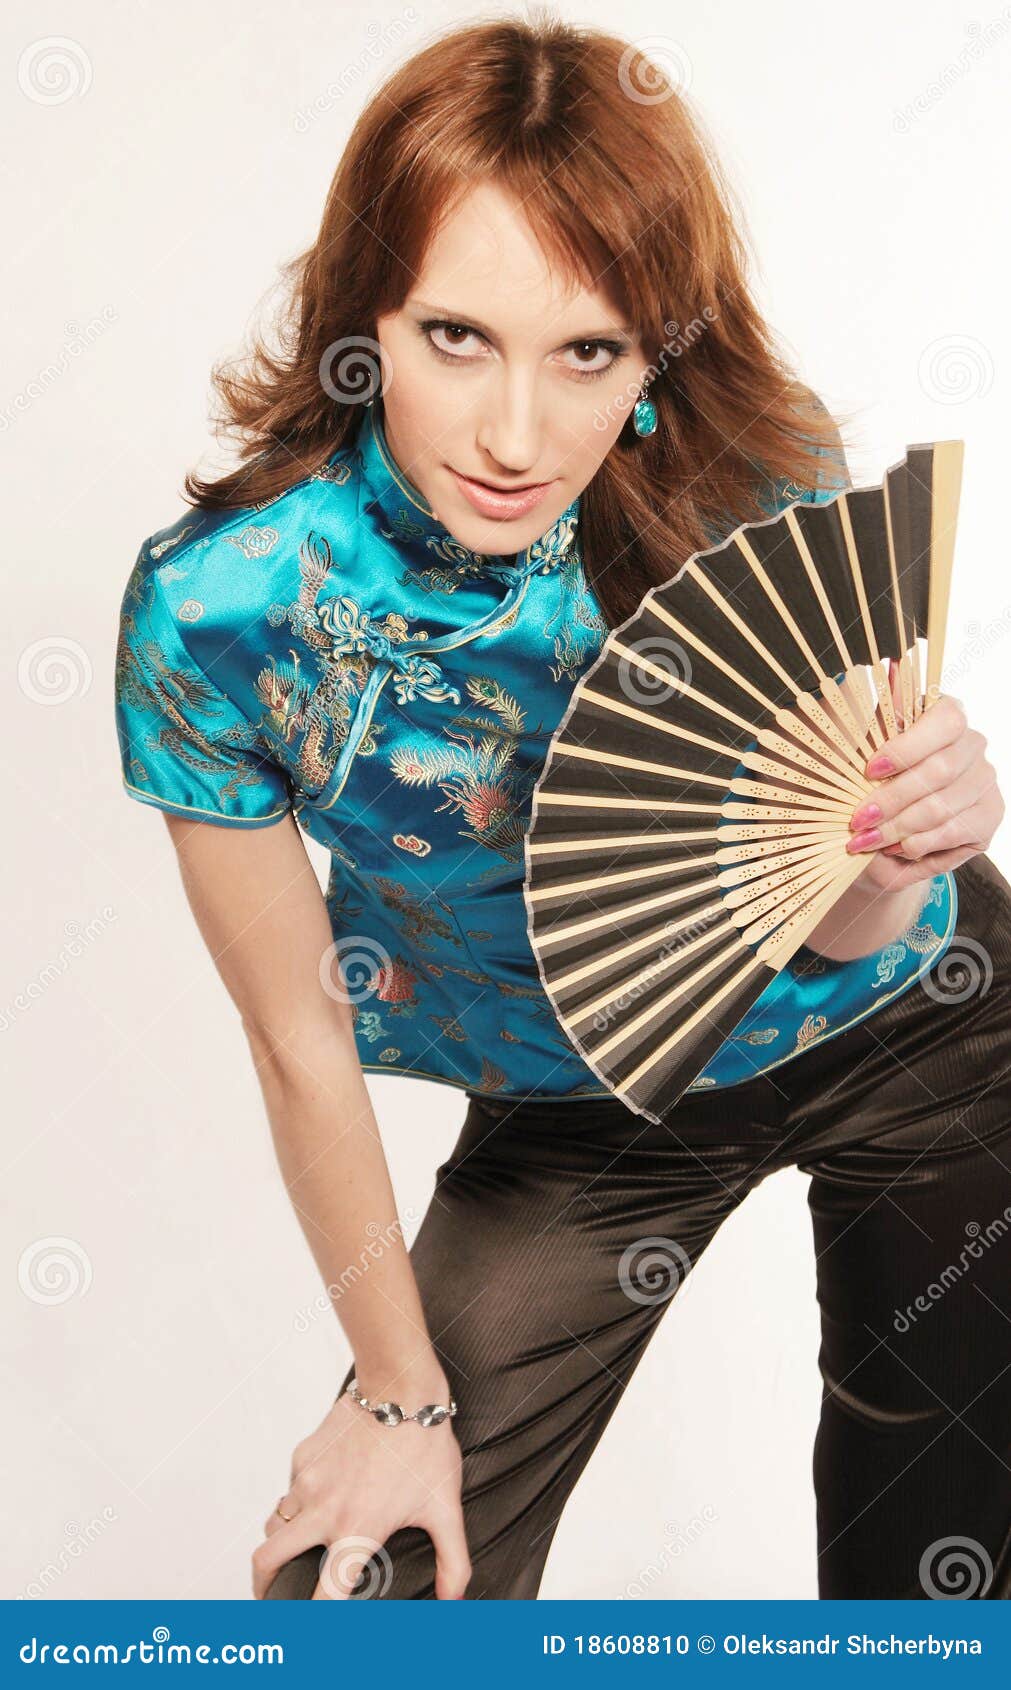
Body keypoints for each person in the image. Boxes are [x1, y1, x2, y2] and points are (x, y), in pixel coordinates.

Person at [113, 16, 1010, 1601]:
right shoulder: (228, 609)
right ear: (364, 317)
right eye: (457, 336)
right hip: (588, 1096)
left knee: (934, 1572)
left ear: (653, 351)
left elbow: (836, 909)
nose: (518, 436)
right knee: (376, 1592)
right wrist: (396, 1395)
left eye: (587, 352)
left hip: (918, 1020)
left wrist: (906, 842)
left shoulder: (757, 475)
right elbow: (296, 1034)